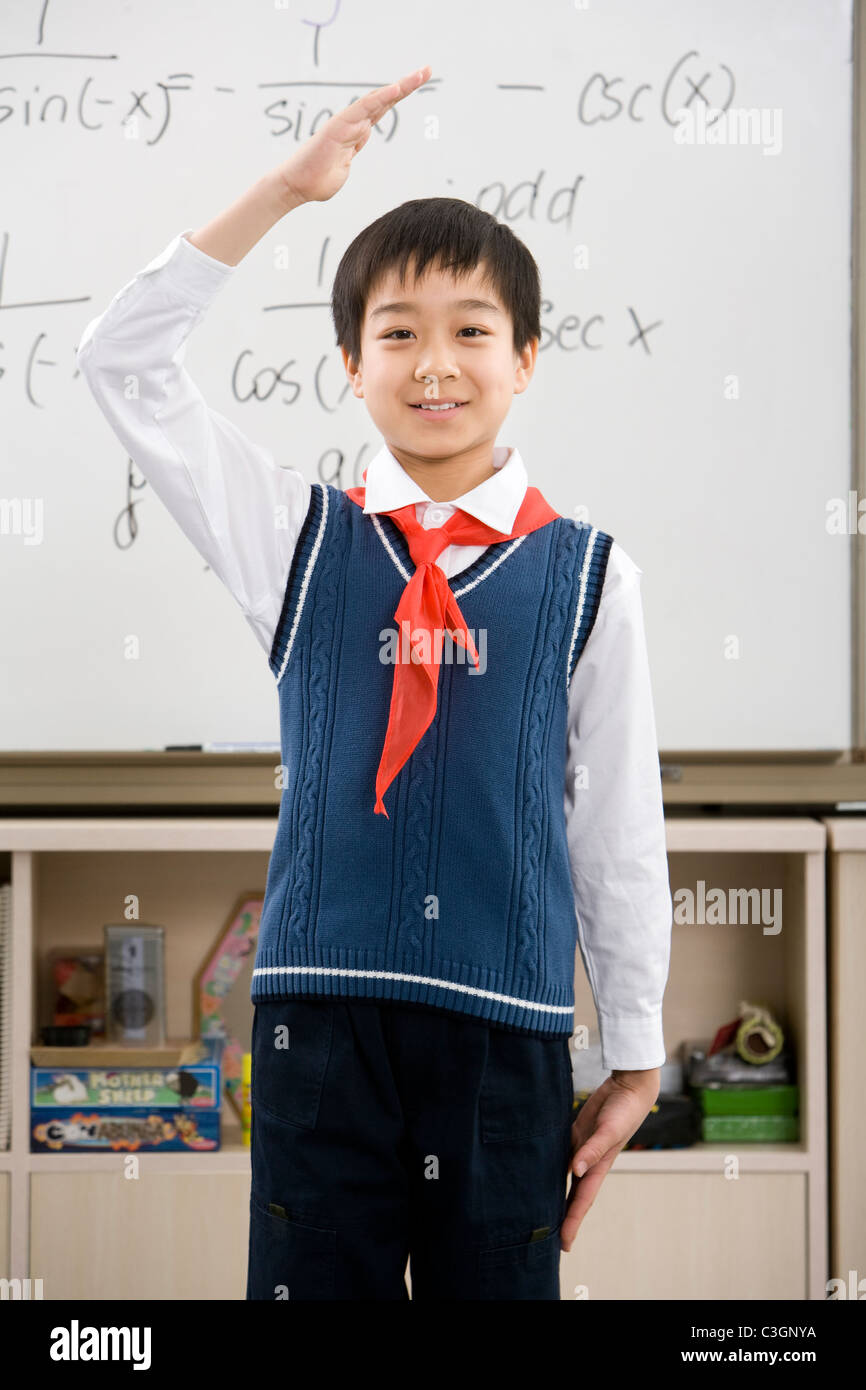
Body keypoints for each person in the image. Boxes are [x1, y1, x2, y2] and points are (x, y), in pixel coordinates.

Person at [76, 66, 673, 1300]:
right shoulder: (296, 539)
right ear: (349, 363)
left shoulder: (588, 576)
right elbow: (121, 363)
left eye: (471, 330)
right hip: (318, 1028)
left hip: (505, 1034)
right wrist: (282, 195)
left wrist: (631, 1045)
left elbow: (614, 826)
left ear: (526, 359)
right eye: (397, 332)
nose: (433, 362)